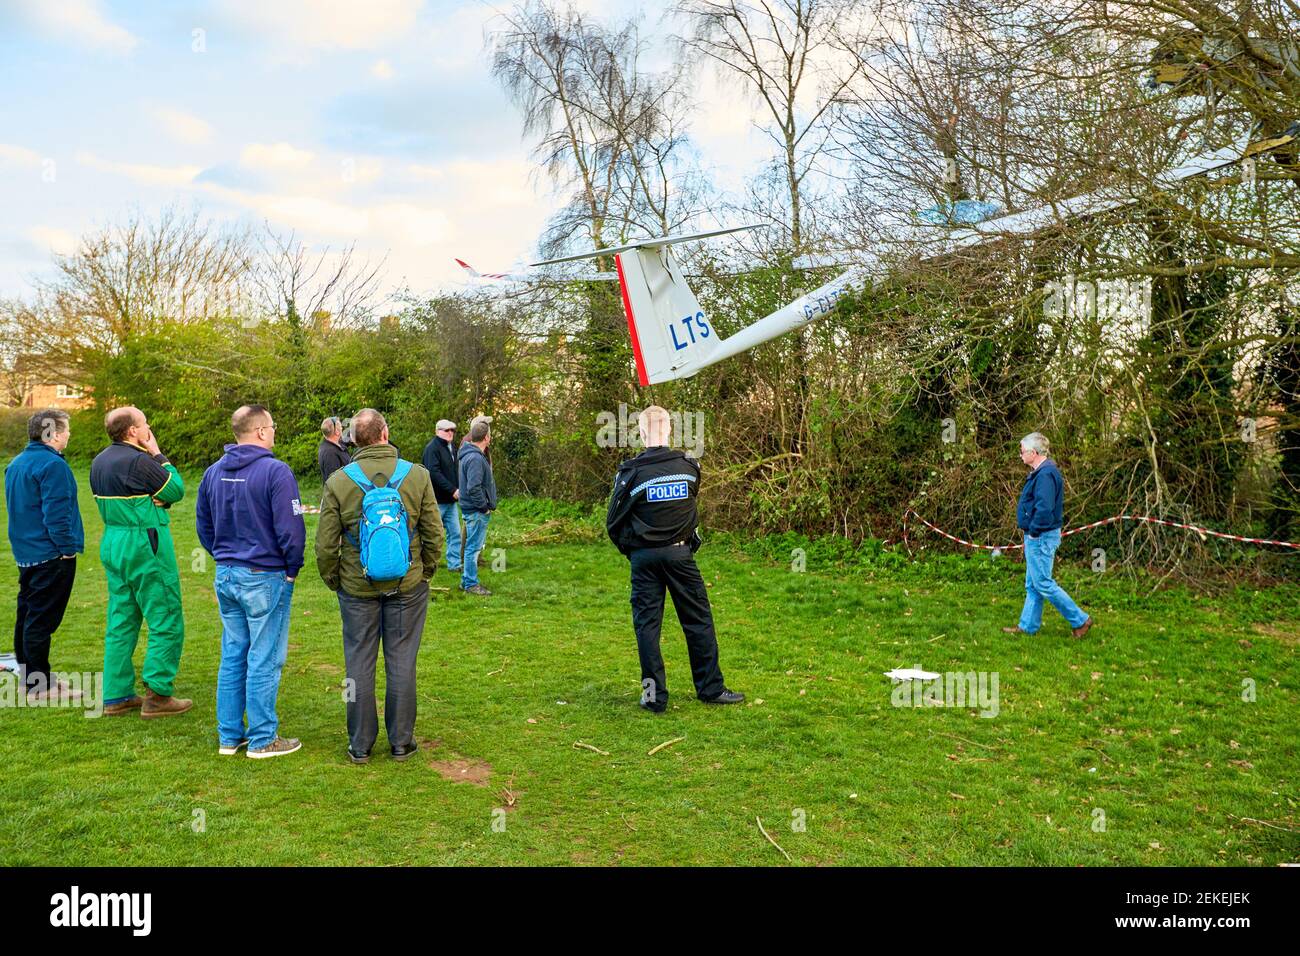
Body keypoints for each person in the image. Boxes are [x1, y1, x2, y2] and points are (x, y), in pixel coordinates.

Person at [315, 408, 442, 764]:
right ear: (385, 433)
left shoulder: (339, 481)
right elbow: (434, 533)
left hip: (357, 588)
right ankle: (402, 742)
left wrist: (335, 579)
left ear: (353, 439)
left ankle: (360, 745)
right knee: (402, 661)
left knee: (358, 663)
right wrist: (425, 570)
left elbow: (326, 546)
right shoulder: (417, 476)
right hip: (408, 586)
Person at [605, 405, 744, 712]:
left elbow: (614, 523)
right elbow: (688, 507)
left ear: (641, 433)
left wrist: (634, 548)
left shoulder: (632, 474)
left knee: (647, 626)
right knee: (698, 621)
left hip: (646, 559)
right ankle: (711, 689)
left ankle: (654, 697)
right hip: (680, 555)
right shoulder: (689, 467)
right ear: (669, 430)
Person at [196, 405, 306, 759]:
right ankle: (262, 738)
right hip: (263, 574)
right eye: (272, 427)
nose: (274, 432)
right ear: (260, 431)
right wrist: (292, 567)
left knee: (234, 652)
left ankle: (229, 736)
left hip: (227, 574)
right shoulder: (276, 472)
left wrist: (222, 554)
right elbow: (291, 528)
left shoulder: (213, 472)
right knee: (264, 655)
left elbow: (204, 524)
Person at [90, 407, 191, 717]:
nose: (148, 428)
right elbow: (176, 489)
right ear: (133, 431)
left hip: (113, 543)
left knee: (121, 619)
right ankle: (158, 695)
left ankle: (116, 694)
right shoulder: (140, 461)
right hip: (144, 544)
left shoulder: (99, 461)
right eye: (145, 423)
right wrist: (158, 454)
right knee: (166, 614)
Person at [4, 409, 84, 702]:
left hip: (26, 553)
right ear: (52, 433)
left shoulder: (16, 463)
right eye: (65, 430)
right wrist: (66, 550)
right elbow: (57, 515)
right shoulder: (53, 466)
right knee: (40, 620)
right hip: (50, 555)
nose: (68, 435)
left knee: (27, 615)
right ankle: (39, 688)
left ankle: (36, 679)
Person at [1002, 432, 1094, 639]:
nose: (1020, 455)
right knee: (1033, 584)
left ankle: (1080, 619)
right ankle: (1027, 626)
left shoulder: (1045, 474)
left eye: (1022, 451)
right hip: (1038, 535)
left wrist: (1034, 532)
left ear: (1033, 453)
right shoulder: (1042, 472)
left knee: (1043, 582)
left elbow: (1044, 508)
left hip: (1041, 536)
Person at [457, 415, 497, 596]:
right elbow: (473, 487)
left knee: (471, 547)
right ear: (486, 438)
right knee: (473, 548)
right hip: (475, 511)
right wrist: (484, 507)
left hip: (471, 509)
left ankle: (466, 581)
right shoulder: (474, 459)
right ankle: (471, 584)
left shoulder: (469, 454)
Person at [421, 419, 462, 575]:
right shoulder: (432, 448)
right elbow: (433, 473)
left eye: (452, 430)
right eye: (447, 430)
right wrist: (452, 489)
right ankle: (427, 565)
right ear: (438, 431)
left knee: (455, 532)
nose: (450, 433)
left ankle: (454, 564)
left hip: (450, 501)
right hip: (436, 501)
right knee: (433, 536)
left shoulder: (452, 447)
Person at [318, 416, 351, 484]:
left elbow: (348, 440)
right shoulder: (330, 454)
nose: (342, 428)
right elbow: (335, 483)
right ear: (337, 432)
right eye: (340, 426)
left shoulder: (336, 443)